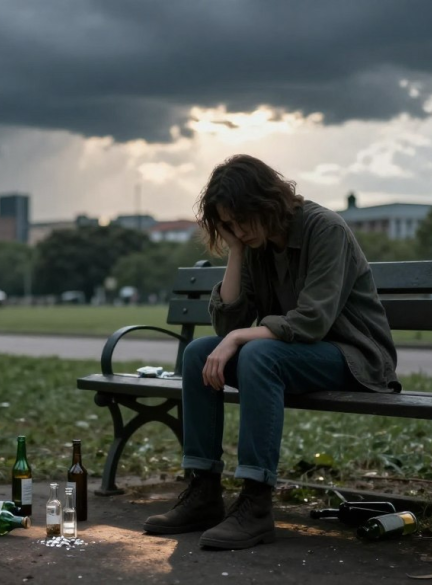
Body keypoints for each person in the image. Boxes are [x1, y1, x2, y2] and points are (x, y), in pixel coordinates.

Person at [143, 155, 400, 550]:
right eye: (228, 224)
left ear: (266, 202)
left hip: (353, 357)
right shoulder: (255, 243)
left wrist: (238, 340)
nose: (238, 230)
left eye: (241, 219)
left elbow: (312, 320)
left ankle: (256, 504)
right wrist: (236, 250)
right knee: (198, 354)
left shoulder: (324, 228)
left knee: (257, 354)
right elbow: (229, 325)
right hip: (295, 355)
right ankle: (203, 493)